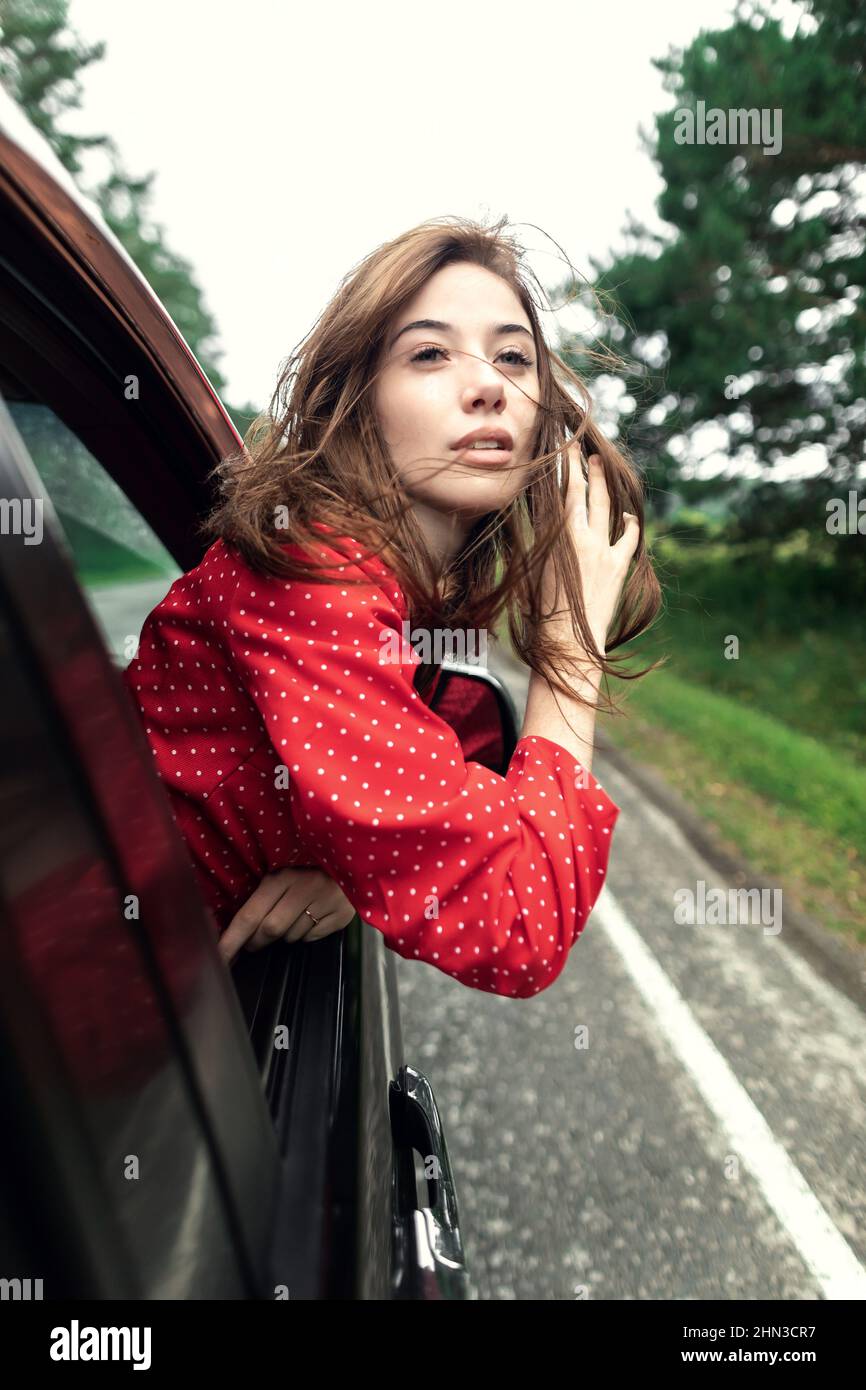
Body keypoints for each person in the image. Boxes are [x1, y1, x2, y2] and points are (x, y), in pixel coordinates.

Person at [122, 215, 661, 997]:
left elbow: (403, 783)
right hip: (84, 1013)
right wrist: (570, 651)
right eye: (430, 354)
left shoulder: (388, 589)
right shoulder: (315, 578)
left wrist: (348, 863)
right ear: (358, 401)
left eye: (514, 356)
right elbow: (517, 926)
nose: (489, 385)